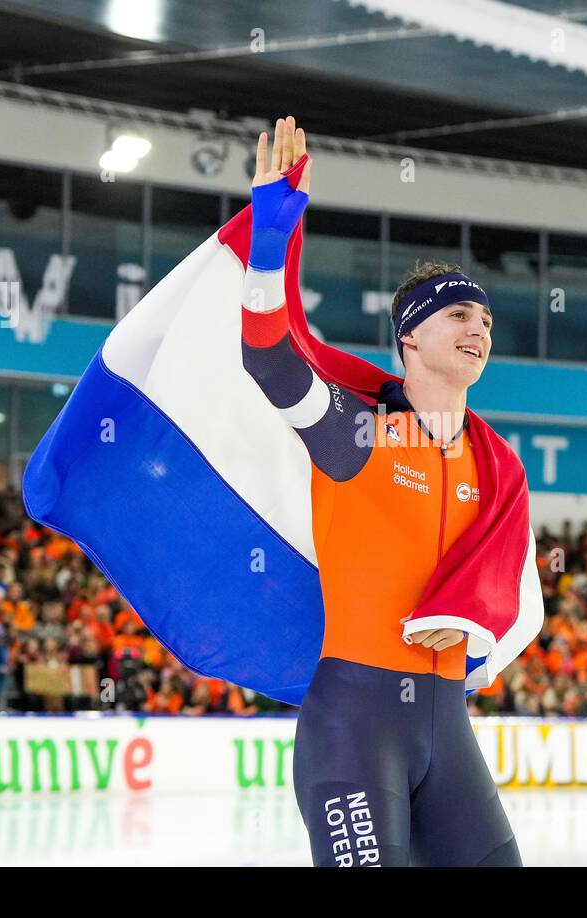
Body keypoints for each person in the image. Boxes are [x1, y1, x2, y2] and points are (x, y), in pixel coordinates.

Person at [240, 116, 521, 867]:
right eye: (459, 315)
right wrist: (270, 237)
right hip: (355, 728)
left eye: (486, 319)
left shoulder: (495, 468)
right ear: (410, 338)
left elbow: (501, 583)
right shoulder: (356, 434)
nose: (478, 329)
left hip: (447, 729)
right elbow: (268, 361)